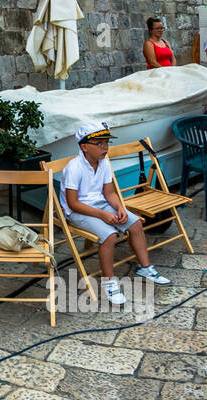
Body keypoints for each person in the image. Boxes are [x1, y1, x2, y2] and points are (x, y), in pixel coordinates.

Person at [56, 128, 167, 305]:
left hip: (102, 205)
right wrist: (103, 215)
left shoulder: (104, 162)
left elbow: (109, 192)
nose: (105, 147)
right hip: (78, 211)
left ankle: (145, 268)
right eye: (99, 143)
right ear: (84, 146)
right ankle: (109, 282)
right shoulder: (74, 167)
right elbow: (72, 203)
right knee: (109, 235)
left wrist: (119, 207)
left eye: (106, 142)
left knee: (136, 223)